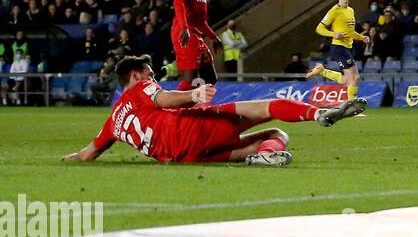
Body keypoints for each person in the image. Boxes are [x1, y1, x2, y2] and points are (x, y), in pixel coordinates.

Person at [64, 56, 366, 167]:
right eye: (150, 72)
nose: (152, 77)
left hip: (182, 158)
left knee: (275, 135)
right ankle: (318, 114)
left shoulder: (113, 119)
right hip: (190, 130)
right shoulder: (141, 87)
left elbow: (87, 154)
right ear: (137, 74)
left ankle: (263, 157)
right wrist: (194, 94)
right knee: (267, 108)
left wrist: (65, 160)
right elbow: (164, 98)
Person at [305, 0, 370, 100]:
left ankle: (322, 71)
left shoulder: (350, 10)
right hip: (339, 48)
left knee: (353, 78)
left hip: (348, 47)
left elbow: (350, 32)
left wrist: (361, 38)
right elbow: (319, 28)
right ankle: (352, 107)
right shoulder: (334, 11)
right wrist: (333, 34)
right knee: (352, 78)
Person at [171, 0, 221, 90]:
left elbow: (200, 20)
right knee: (190, 80)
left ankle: (198, 111)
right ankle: (171, 111)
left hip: (196, 32)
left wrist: (212, 36)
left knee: (210, 78)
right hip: (185, 32)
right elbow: (178, 1)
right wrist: (184, 27)